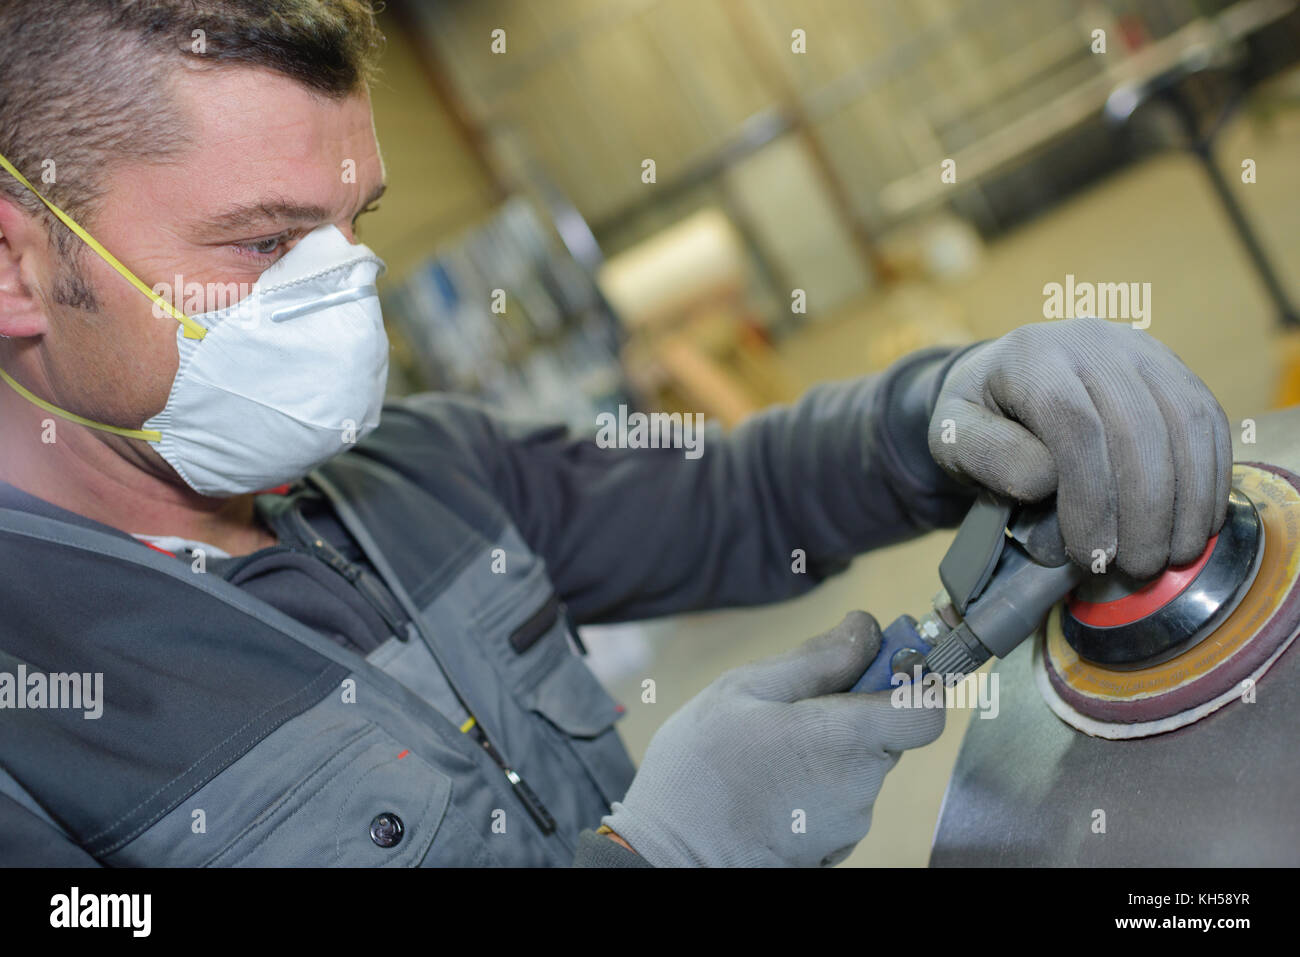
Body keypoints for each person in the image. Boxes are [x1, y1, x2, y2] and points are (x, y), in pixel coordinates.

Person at [0, 1, 1231, 868]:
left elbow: (738, 499)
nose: (340, 294)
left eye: (352, 225)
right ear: (18, 264)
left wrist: (947, 407)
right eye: (266, 244)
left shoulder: (414, 472)